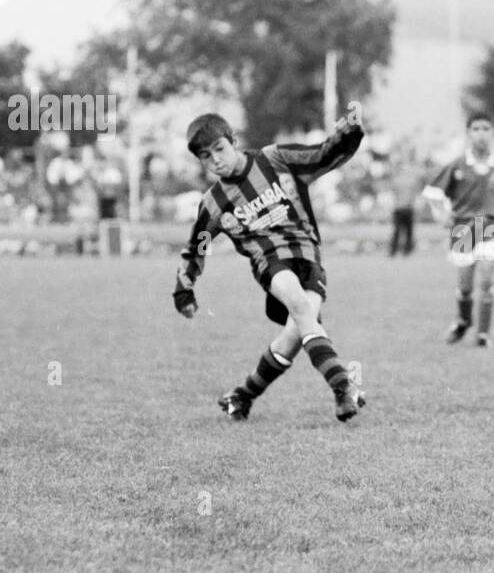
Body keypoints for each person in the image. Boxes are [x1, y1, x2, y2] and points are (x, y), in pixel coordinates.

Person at [172, 112, 367, 423]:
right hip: (270, 262)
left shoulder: (275, 159)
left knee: (294, 334)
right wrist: (185, 287)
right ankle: (343, 387)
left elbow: (321, 155)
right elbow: (199, 246)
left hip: (308, 255)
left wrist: (349, 134)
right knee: (302, 309)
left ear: (233, 141)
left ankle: (242, 396)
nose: (216, 161)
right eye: (205, 157)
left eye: (220, 149)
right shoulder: (214, 202)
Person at [423, 112, 494, 347]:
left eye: (485, 129)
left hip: (492, 226)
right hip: (463, 228)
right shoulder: (458, 165)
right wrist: (441, 213)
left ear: (492, 133)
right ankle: (463, 322)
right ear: (469, 133)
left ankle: (482, 334)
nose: (481, 134)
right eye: (476, 129)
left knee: (486, 275)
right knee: (464, 285)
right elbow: (432, 194)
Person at [387, 148, 423, 257]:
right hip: (402, 208)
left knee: (402, 231)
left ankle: (399, 251)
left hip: (404, 208)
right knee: (402, 231)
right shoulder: (401, 180)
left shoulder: (400, 180)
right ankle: (400, 250)